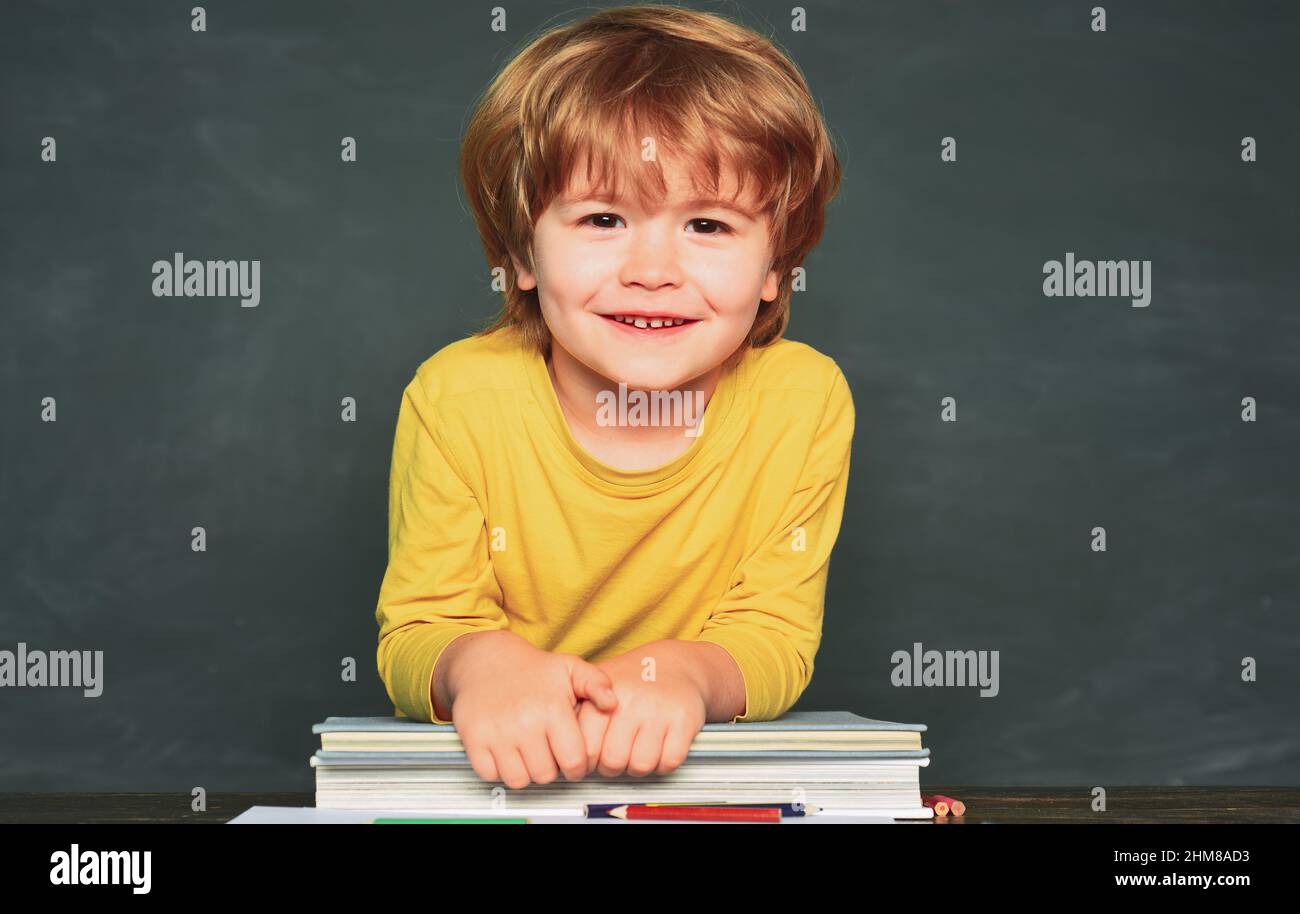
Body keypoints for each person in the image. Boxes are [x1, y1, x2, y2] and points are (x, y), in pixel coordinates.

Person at [375, 4, 851, 791]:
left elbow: (774, 632)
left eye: (708, 224)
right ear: (524, 251)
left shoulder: (803, 403)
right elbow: (420, 628)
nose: (653, 270)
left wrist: (688, 674)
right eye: (603, 218)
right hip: (500, 789)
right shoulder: (458, 396)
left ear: (777, 265)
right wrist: (482, 665)